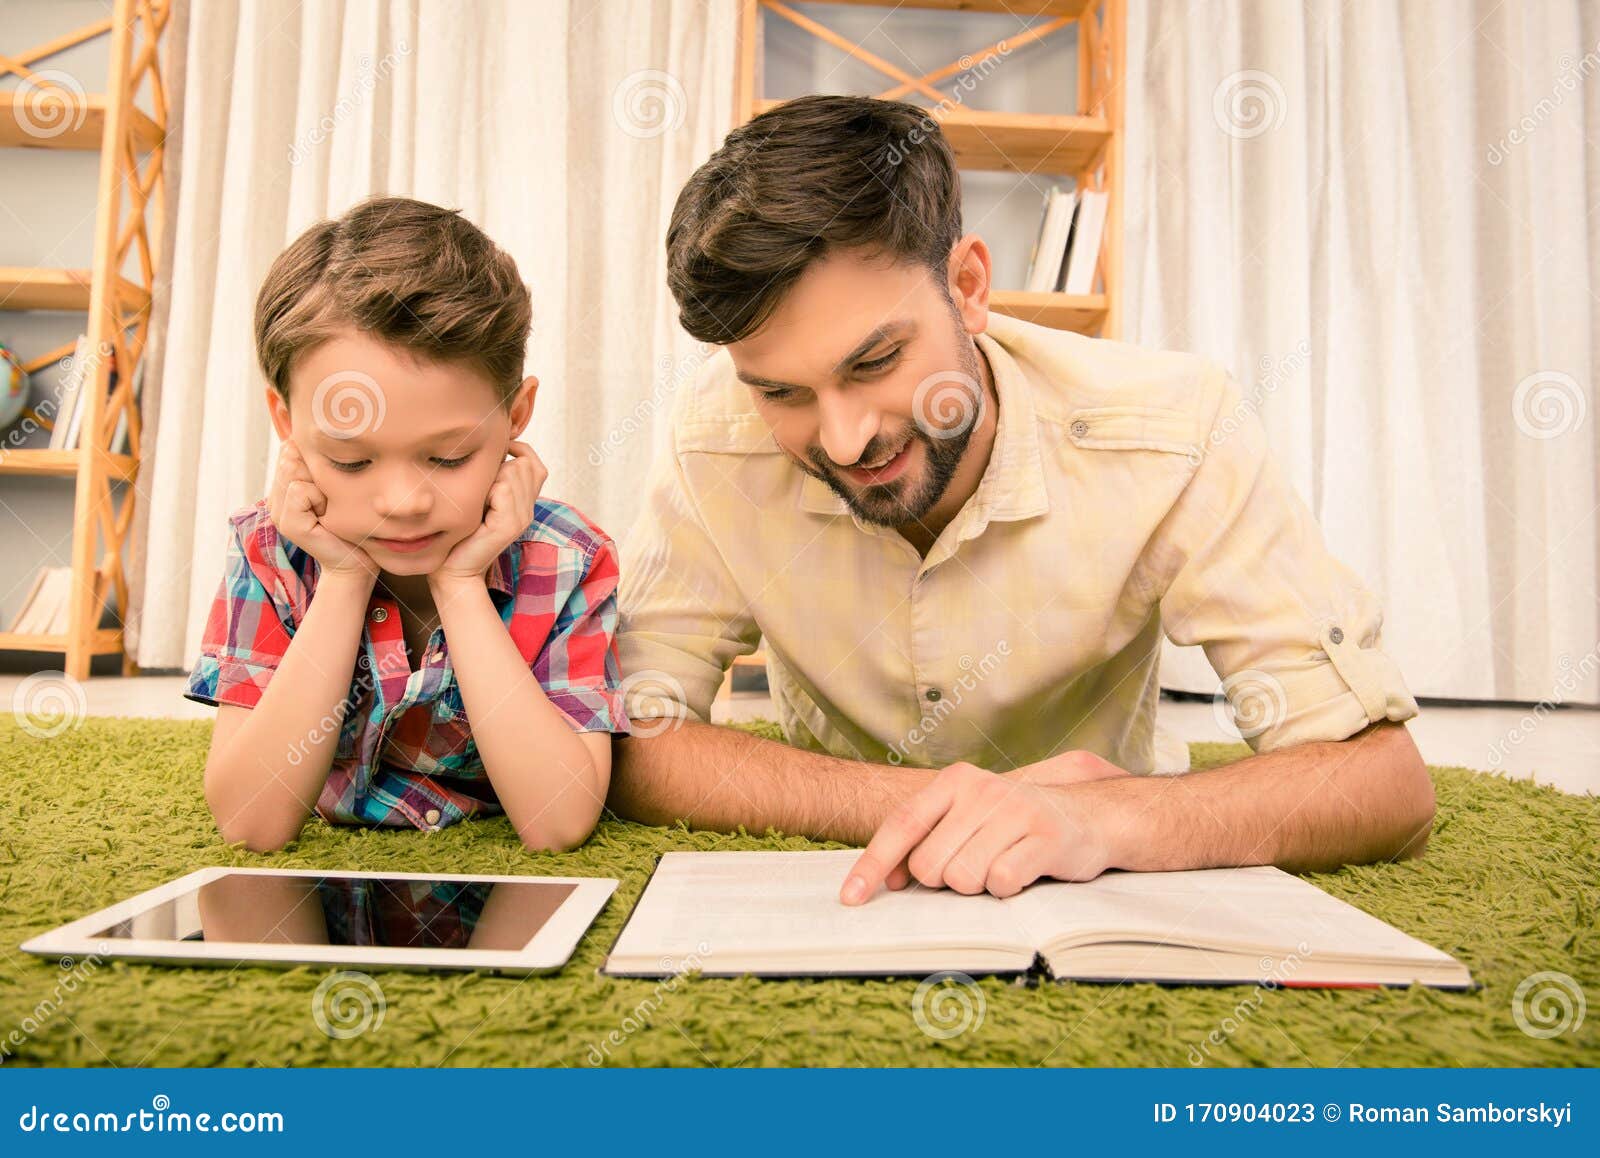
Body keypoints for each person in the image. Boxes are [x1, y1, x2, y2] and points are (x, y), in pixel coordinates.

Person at [610, 95, 1433, 904]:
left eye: (875, 363)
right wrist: (941, 810)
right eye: (783, 393)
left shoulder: (1178, 427)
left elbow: (1380, 781)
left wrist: (1102, 820)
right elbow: (637, 742)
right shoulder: (709, 437)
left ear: (968, 287)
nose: (844, 440)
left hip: (1099, 888)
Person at [187, 196, 627, 853]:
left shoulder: (568, 559)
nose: (402, 502)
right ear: (286, 423)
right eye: (351, 460)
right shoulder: (270, 550)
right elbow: (252, 823)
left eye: (447, 457)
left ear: (516, 415)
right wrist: (341, 579)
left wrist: (462, 585)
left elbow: (559, 823)